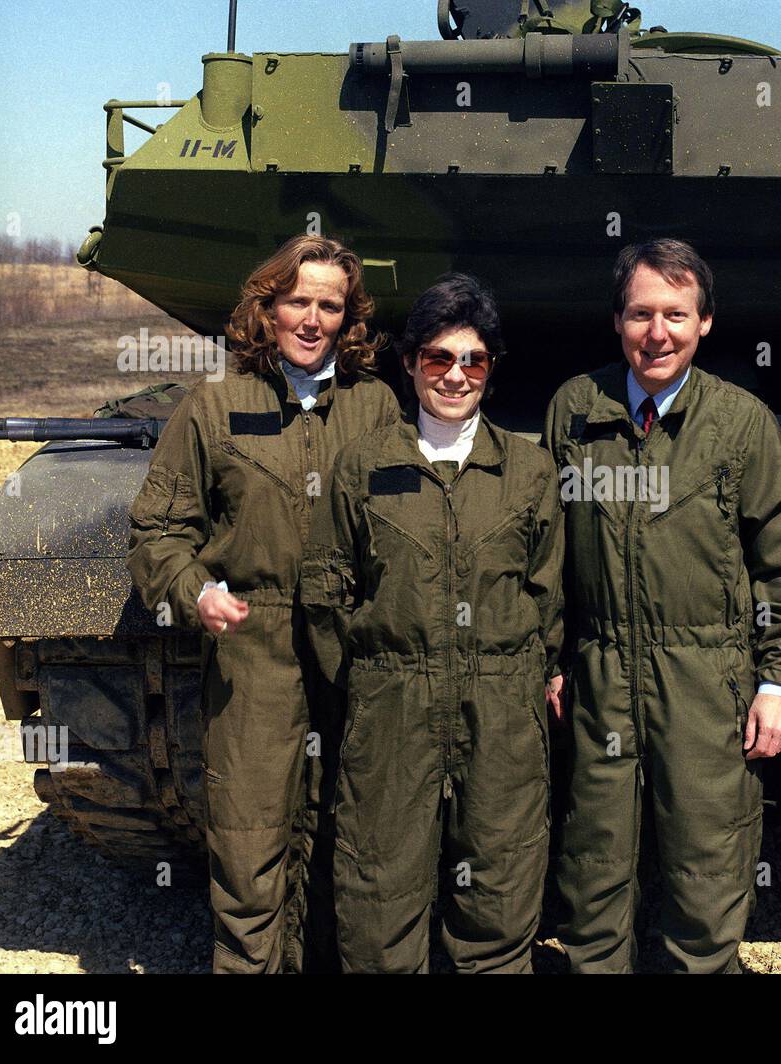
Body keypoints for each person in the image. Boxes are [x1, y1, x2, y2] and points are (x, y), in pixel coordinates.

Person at [127, 235, 399, 973]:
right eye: (297, 301)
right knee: (249, 846)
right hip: (253, 643)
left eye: (329, 306)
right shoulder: (216, 404)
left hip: (349, 646)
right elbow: (158, 531)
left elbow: (401, 527)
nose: (312, 319)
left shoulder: (375, 407)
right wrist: (197, 591)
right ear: (267, 306)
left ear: (348, 317)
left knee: (348, 832)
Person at [543, 238, 781, 973]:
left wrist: (779, 682)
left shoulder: (740, 422)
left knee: (707, 862)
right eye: (640, 314)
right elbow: (547, 553)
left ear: (705, 322)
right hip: (599, 669)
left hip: (705, 674)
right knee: (593, 862)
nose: (656, 333)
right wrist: (552, 660)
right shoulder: (576, 409)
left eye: (675, 314)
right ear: (617, 320)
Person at [300, 273, 564, 973]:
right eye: (438, 357)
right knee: (379, 892)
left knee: (501, 887)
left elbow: (549, 594)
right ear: (411, 363)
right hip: (391, 704)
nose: (455, 375)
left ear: (491, 368)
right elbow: (326, 591)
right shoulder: (363, 466)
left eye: (473, 360)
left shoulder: (528, 471)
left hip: (501, 709)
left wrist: (525, 678)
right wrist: (369, 682)